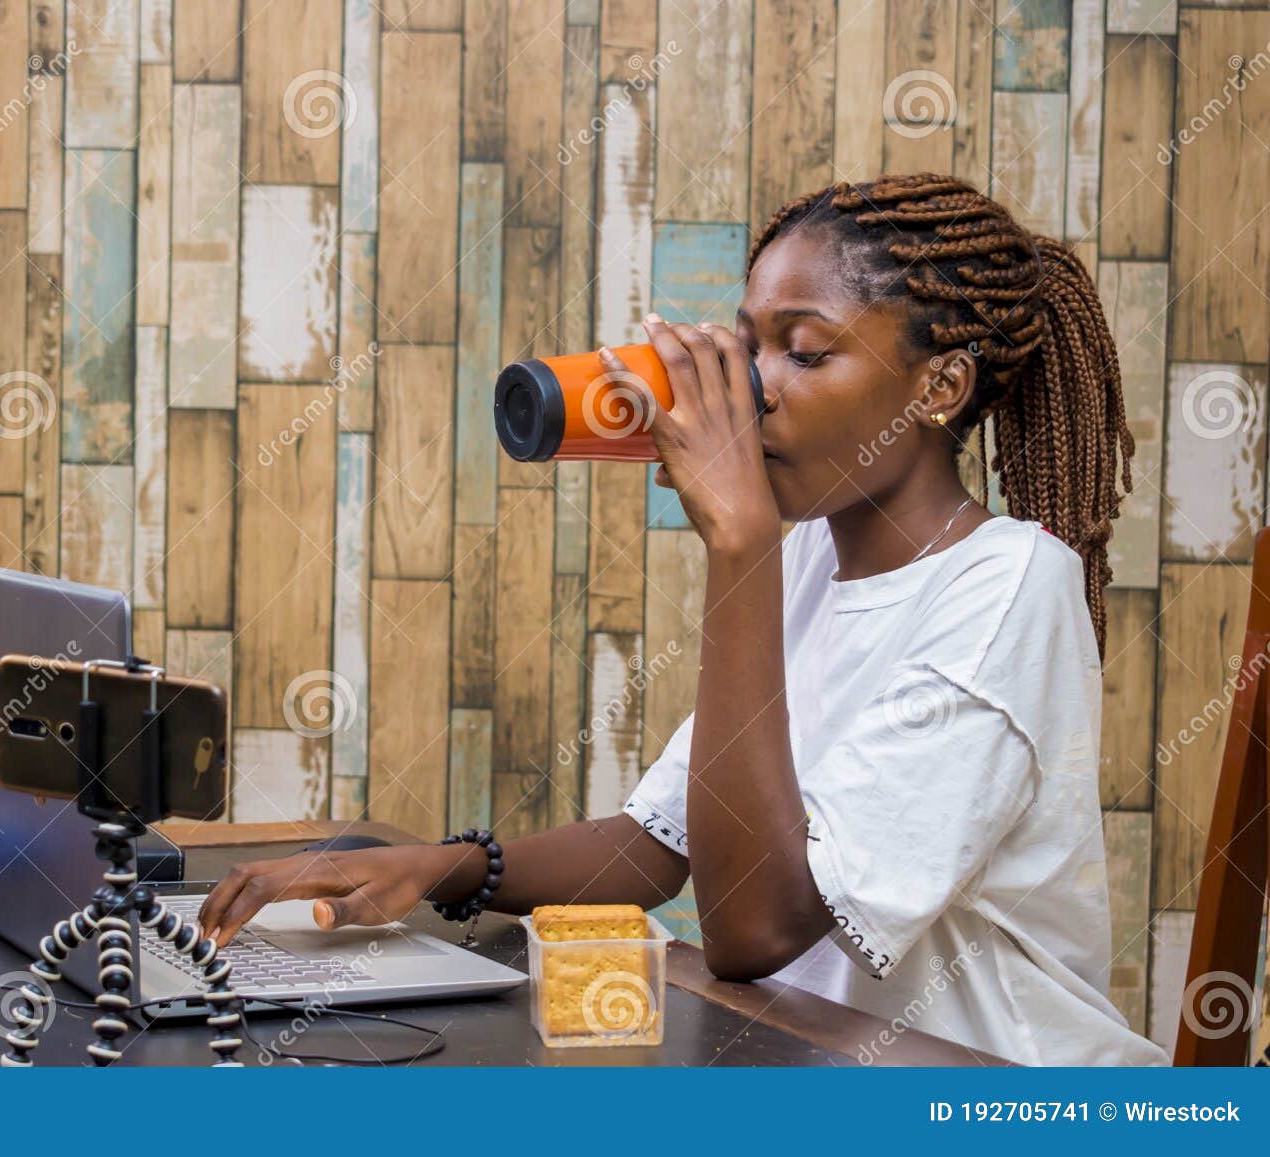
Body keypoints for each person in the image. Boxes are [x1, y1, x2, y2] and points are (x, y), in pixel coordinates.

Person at [197, 173, 1170, 1066]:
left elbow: (752, 929)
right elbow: (656, 845)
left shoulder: (1004, 587)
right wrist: (432, 866)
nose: (753, 386)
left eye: (804, 351)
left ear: (939, 387)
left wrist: (737, 546)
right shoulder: (805, 558)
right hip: (806, 1053)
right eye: (747, 345)